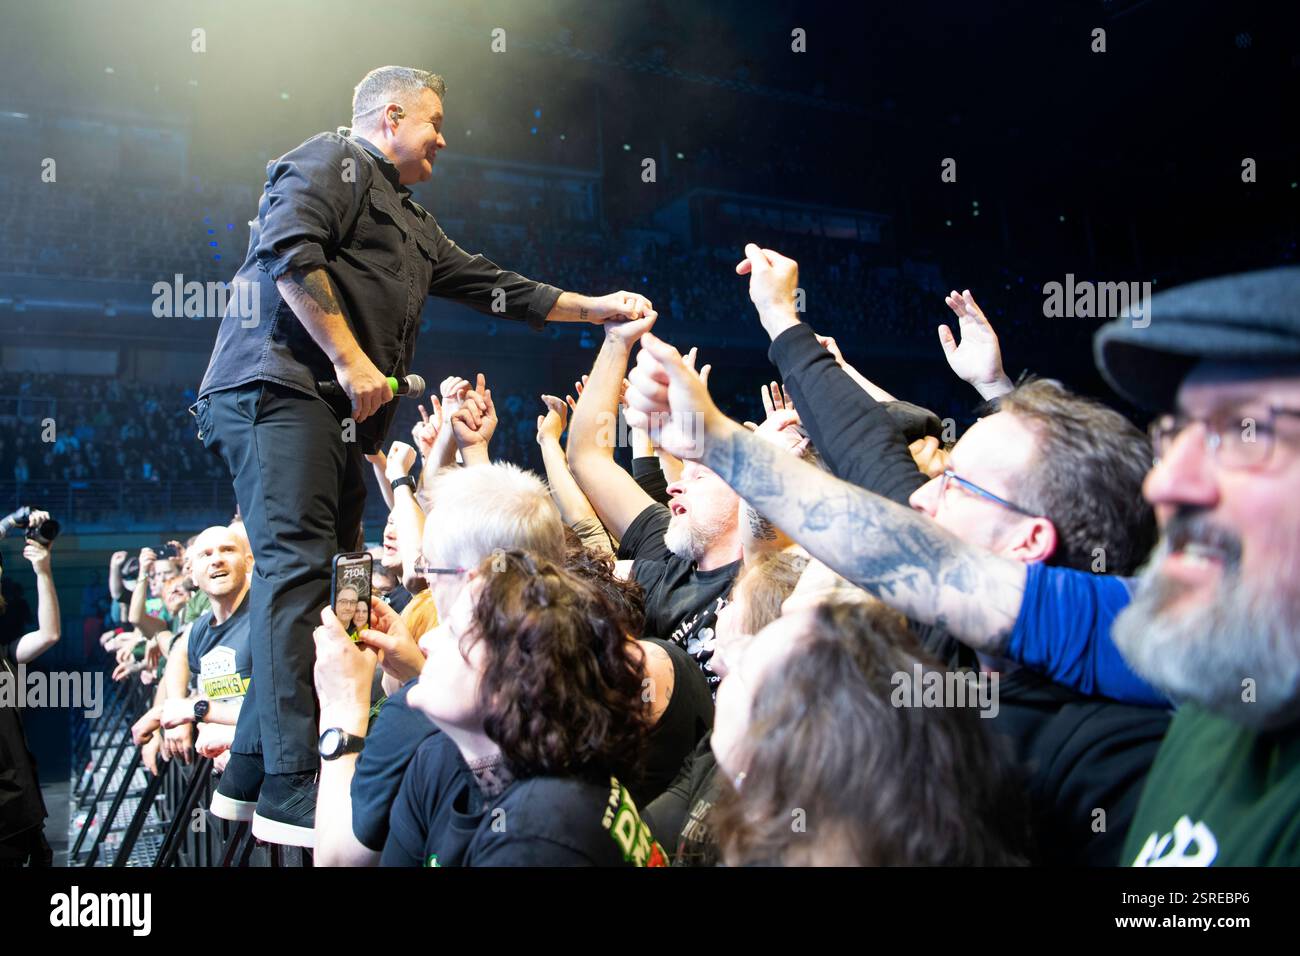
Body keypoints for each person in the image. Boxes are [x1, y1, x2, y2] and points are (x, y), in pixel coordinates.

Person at [625, 255, 1300, 865]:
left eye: (1247, 433)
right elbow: (878, 484)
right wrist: (721, 430)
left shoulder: (1105, 754)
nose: (1168, 482)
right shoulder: (1173, 650)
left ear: (1029, 543)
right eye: (1177, 435)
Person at [193, 63, 653, 845]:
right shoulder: (328, 161)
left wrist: (596, 309)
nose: (443, 137)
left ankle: (250, 766)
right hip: (280, 390)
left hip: (331, 411)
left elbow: (493, 285)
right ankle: (293, 781)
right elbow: (287, 252)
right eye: (434, 121)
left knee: (342, 569)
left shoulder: (407, 217)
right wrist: (348, 360)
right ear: (392, 115)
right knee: (301, 569)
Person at [379, 551, 666, 866]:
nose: (426, 642)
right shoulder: (439, 759)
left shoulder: (542, 830)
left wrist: (344, 708)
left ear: (513, 683)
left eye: (453, 634)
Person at [0, 511, 61, 867]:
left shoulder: (5, 657)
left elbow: (49, 634)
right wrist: (9, 522)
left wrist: (43, 569)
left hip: (20, 815)